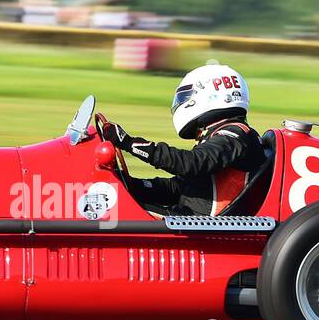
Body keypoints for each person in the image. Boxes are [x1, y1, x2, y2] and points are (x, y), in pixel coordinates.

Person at [101, 64, 267, 216]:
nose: (180, 103)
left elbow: (190, 163)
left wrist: (129, 143)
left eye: (185, 96)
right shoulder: (223, 134)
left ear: (210, 95)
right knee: (114, 199)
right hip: (189, 219)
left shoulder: (236, 135)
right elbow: (179, 189)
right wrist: (130, 185)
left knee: (109, 212)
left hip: (201, 229)